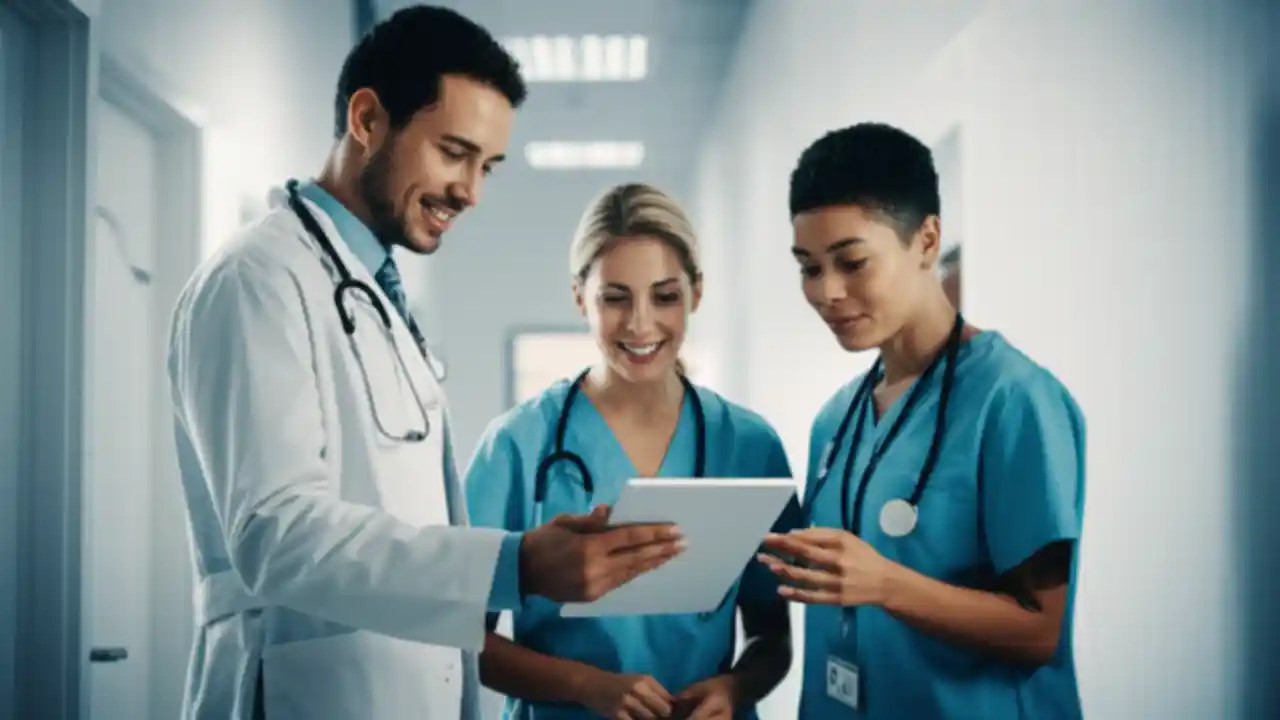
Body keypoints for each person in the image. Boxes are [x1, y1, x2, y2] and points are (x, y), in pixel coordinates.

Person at [165, 8, 684, 720]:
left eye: (486, 166)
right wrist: (513, 563)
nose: (471, 191)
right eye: (453, 152)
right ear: (368, 119)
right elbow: (275, 534)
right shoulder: (256, 279)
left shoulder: (368, 291)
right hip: (306, 693)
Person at [760, 123, 1086, 719]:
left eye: (852, 262)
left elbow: (1040, 632)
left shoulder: (1013, 400)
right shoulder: (835, 419)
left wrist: (886, 584)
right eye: (809, 267)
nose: (828, 291)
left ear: (927, 241)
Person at [465, 182, 800, 720]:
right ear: (580, 297)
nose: (641, 324)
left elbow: (771, 635)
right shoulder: (516, 445)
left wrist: (734, 690)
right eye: (615, 297)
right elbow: (462, 636)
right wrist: (584, 685)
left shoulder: (749, 445)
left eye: (665, 296)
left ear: (696, 293)